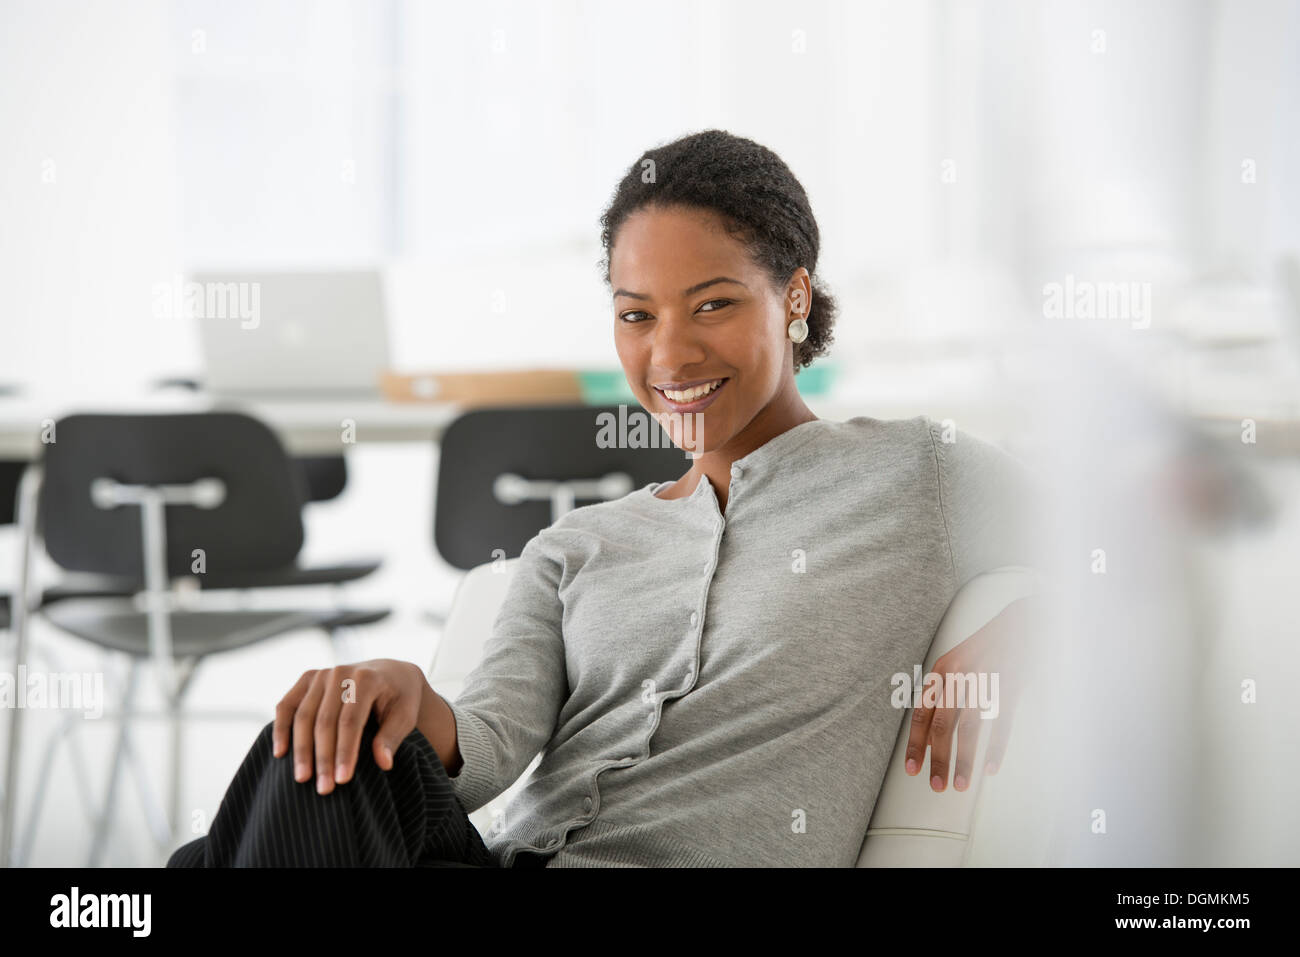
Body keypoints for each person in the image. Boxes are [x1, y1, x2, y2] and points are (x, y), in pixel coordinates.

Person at [170, 129, 1037, 869]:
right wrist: (404, 694)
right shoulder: (576, 544)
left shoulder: (920, 474)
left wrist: (1031, 624)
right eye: (637, 315)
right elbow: (483, 754)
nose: (671, 355)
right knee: (328, 734)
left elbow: (1138, 525)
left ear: (795, 299)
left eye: (712, 304)